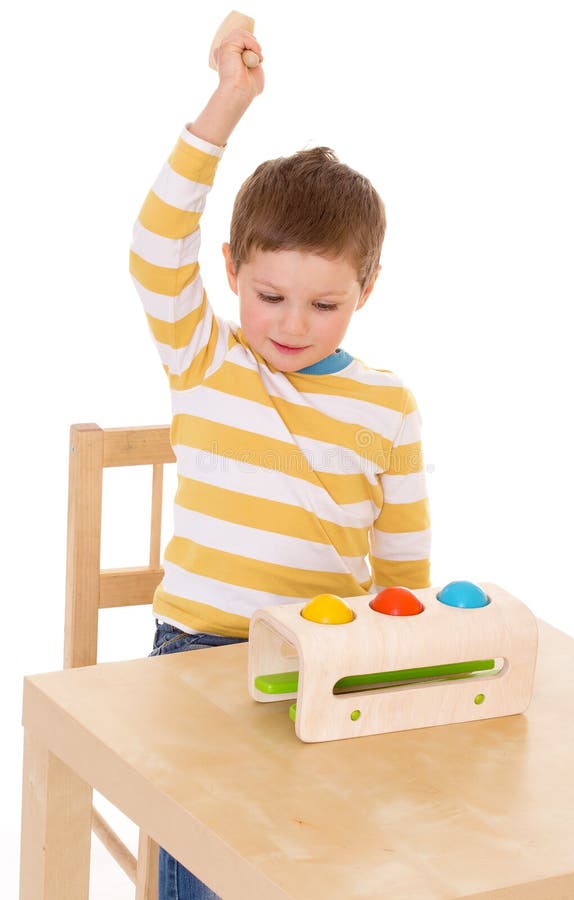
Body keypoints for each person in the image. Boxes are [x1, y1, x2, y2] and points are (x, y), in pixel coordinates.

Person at [129, 25, 431, 900]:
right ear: (230, 272)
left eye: (324, 303)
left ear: (366, 290)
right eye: (269, 297)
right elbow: (153, 252)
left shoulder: (387, 405)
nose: (292, 325)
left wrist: (399, 668)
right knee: (208, 844)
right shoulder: (207, 358)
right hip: (200, 650)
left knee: (323, 855)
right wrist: (226, 105)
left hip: (330, 658)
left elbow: (403, 572)